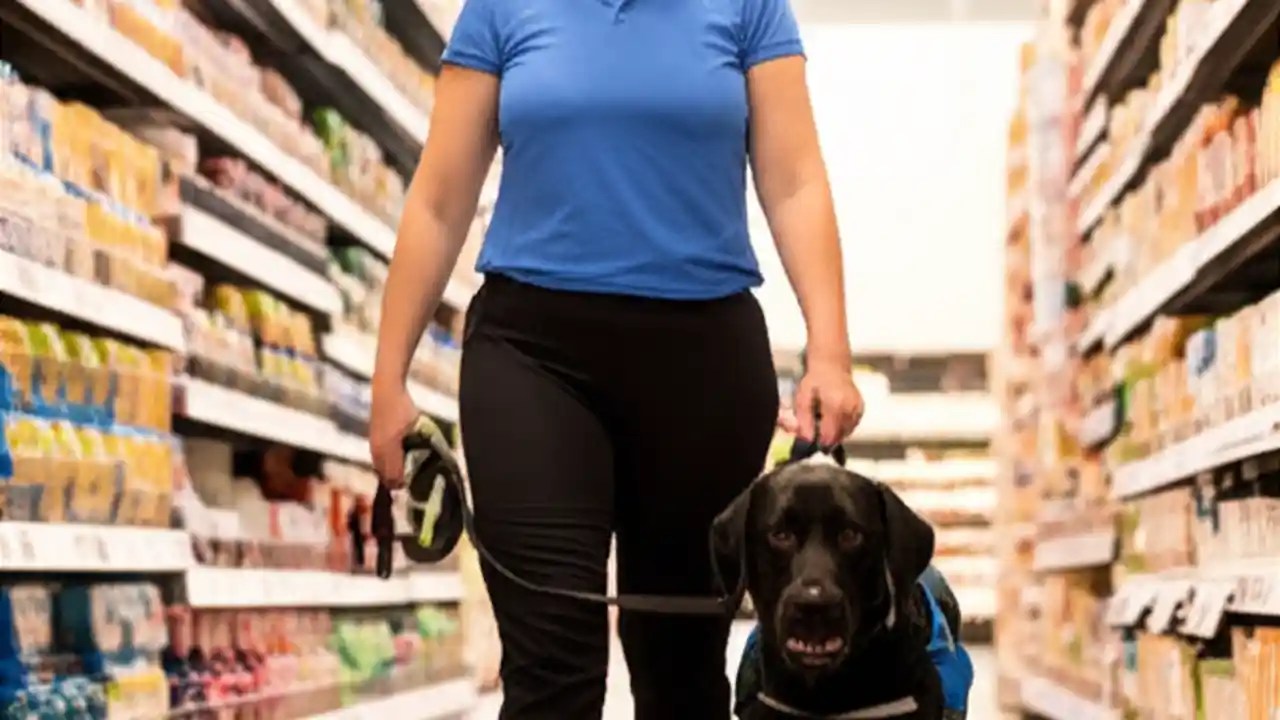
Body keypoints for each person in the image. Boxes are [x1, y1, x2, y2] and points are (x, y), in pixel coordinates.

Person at [368, 0, 863, 716]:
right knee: (551, 662)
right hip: (532, 359)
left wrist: (831, 350)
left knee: (680, 665)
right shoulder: (501, 8)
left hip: (705, 369)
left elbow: (794, 182)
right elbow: (439, 201)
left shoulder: (749, 7)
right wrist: (390, 379)